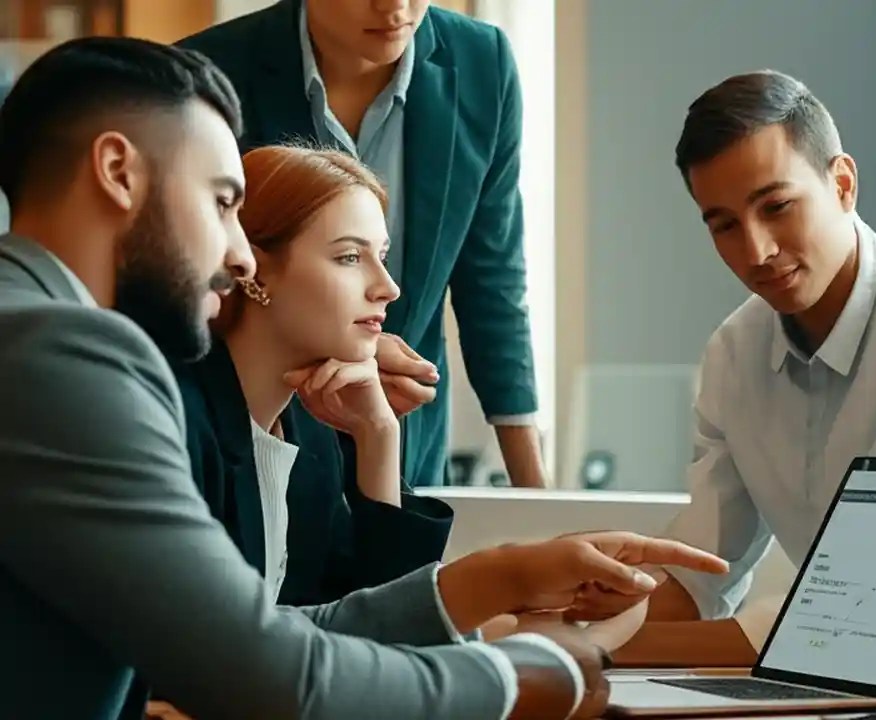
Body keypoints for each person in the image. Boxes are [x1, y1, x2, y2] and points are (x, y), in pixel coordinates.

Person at [0, 36, 729, 720]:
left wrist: (505, 575)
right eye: (222, 202)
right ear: (118, 172)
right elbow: (264, 670)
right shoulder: (56, 349)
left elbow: (270, 630)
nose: (239, 253)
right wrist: (528, 674)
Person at [570, 70, 876, 680]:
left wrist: (593, 648)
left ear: (843, 184)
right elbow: (698, 576)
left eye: (776, 207)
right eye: (723, 225)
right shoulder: (735, 352)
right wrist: (569, 620)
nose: (756, 251)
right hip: (842, 686)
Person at [179, 0, 544, 488]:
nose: (395, 7)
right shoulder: (204, 76)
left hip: (401, 439)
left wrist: (538, 495)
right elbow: (185, 280)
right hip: (252, 436)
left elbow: (493, 277)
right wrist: (350, 347)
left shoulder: (483, 62)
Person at [175, 145, 453, 608]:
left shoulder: (314, 435)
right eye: (349, 257)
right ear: (254, 270)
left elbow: (378, 626)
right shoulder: (180, 423)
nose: (388, 287)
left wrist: (379, 434)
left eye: (381, 256)